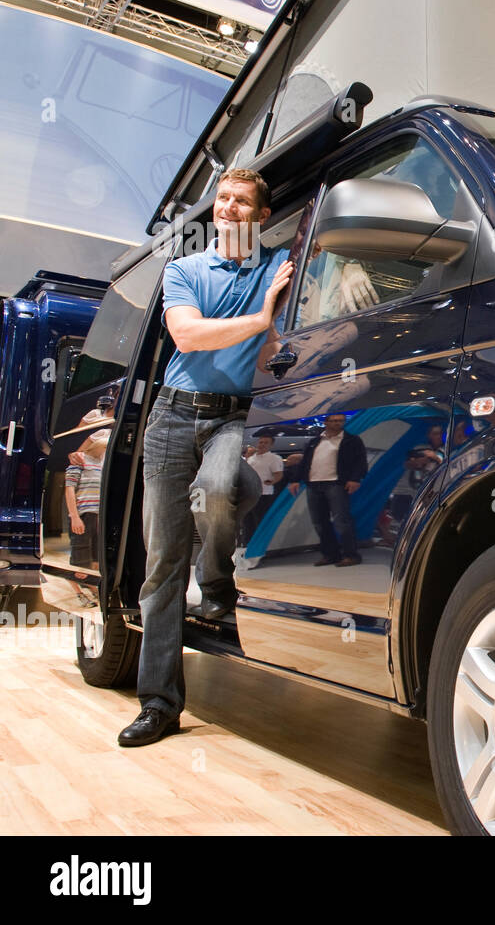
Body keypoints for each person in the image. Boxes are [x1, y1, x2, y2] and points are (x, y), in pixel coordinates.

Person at [117, 167, 294, 748]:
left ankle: (216, 583)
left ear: (261, 215)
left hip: (233, 414)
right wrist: (261, 318)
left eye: (242, 202)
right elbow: (188, 337)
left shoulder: (277, 266)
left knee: (220, 489)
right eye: (222, 200)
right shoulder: (185, 270)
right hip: (172, 414)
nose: (228, 209)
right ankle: (159, 703)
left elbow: (329, 274)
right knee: (162, 561)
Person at [288, 413, 367, 567]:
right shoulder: (315, 441)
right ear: (326, 422)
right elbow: (305, 462)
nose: (338, 423)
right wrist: (295, 479)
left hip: (336, 484)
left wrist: (355, 478)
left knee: (341, 521)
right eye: (334, 421)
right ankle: (330, 554)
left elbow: (360, 461)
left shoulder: (351, 440)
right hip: (313, 484)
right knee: (319, 522)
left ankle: (351, 555)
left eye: (341, 421)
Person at [65, 430, 108, 575]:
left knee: (96, 557)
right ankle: (78, 591)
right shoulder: (80, 460)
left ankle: (91, 589)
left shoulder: (101, 465)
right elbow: (69, 489)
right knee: (80, 556)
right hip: (83, 513)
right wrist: (74, 516)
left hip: (98, 515)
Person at [240, 433, 284, 550]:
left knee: (261, 521)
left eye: (266, 442)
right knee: (247, 522)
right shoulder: (251, 458)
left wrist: (272, 481)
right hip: (248, 495)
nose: (262, 444)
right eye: (261, 442)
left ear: (271, 445)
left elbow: (278, 474)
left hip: (264, 494)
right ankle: (247, 545)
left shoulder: (274, 458)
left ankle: (262, 547)